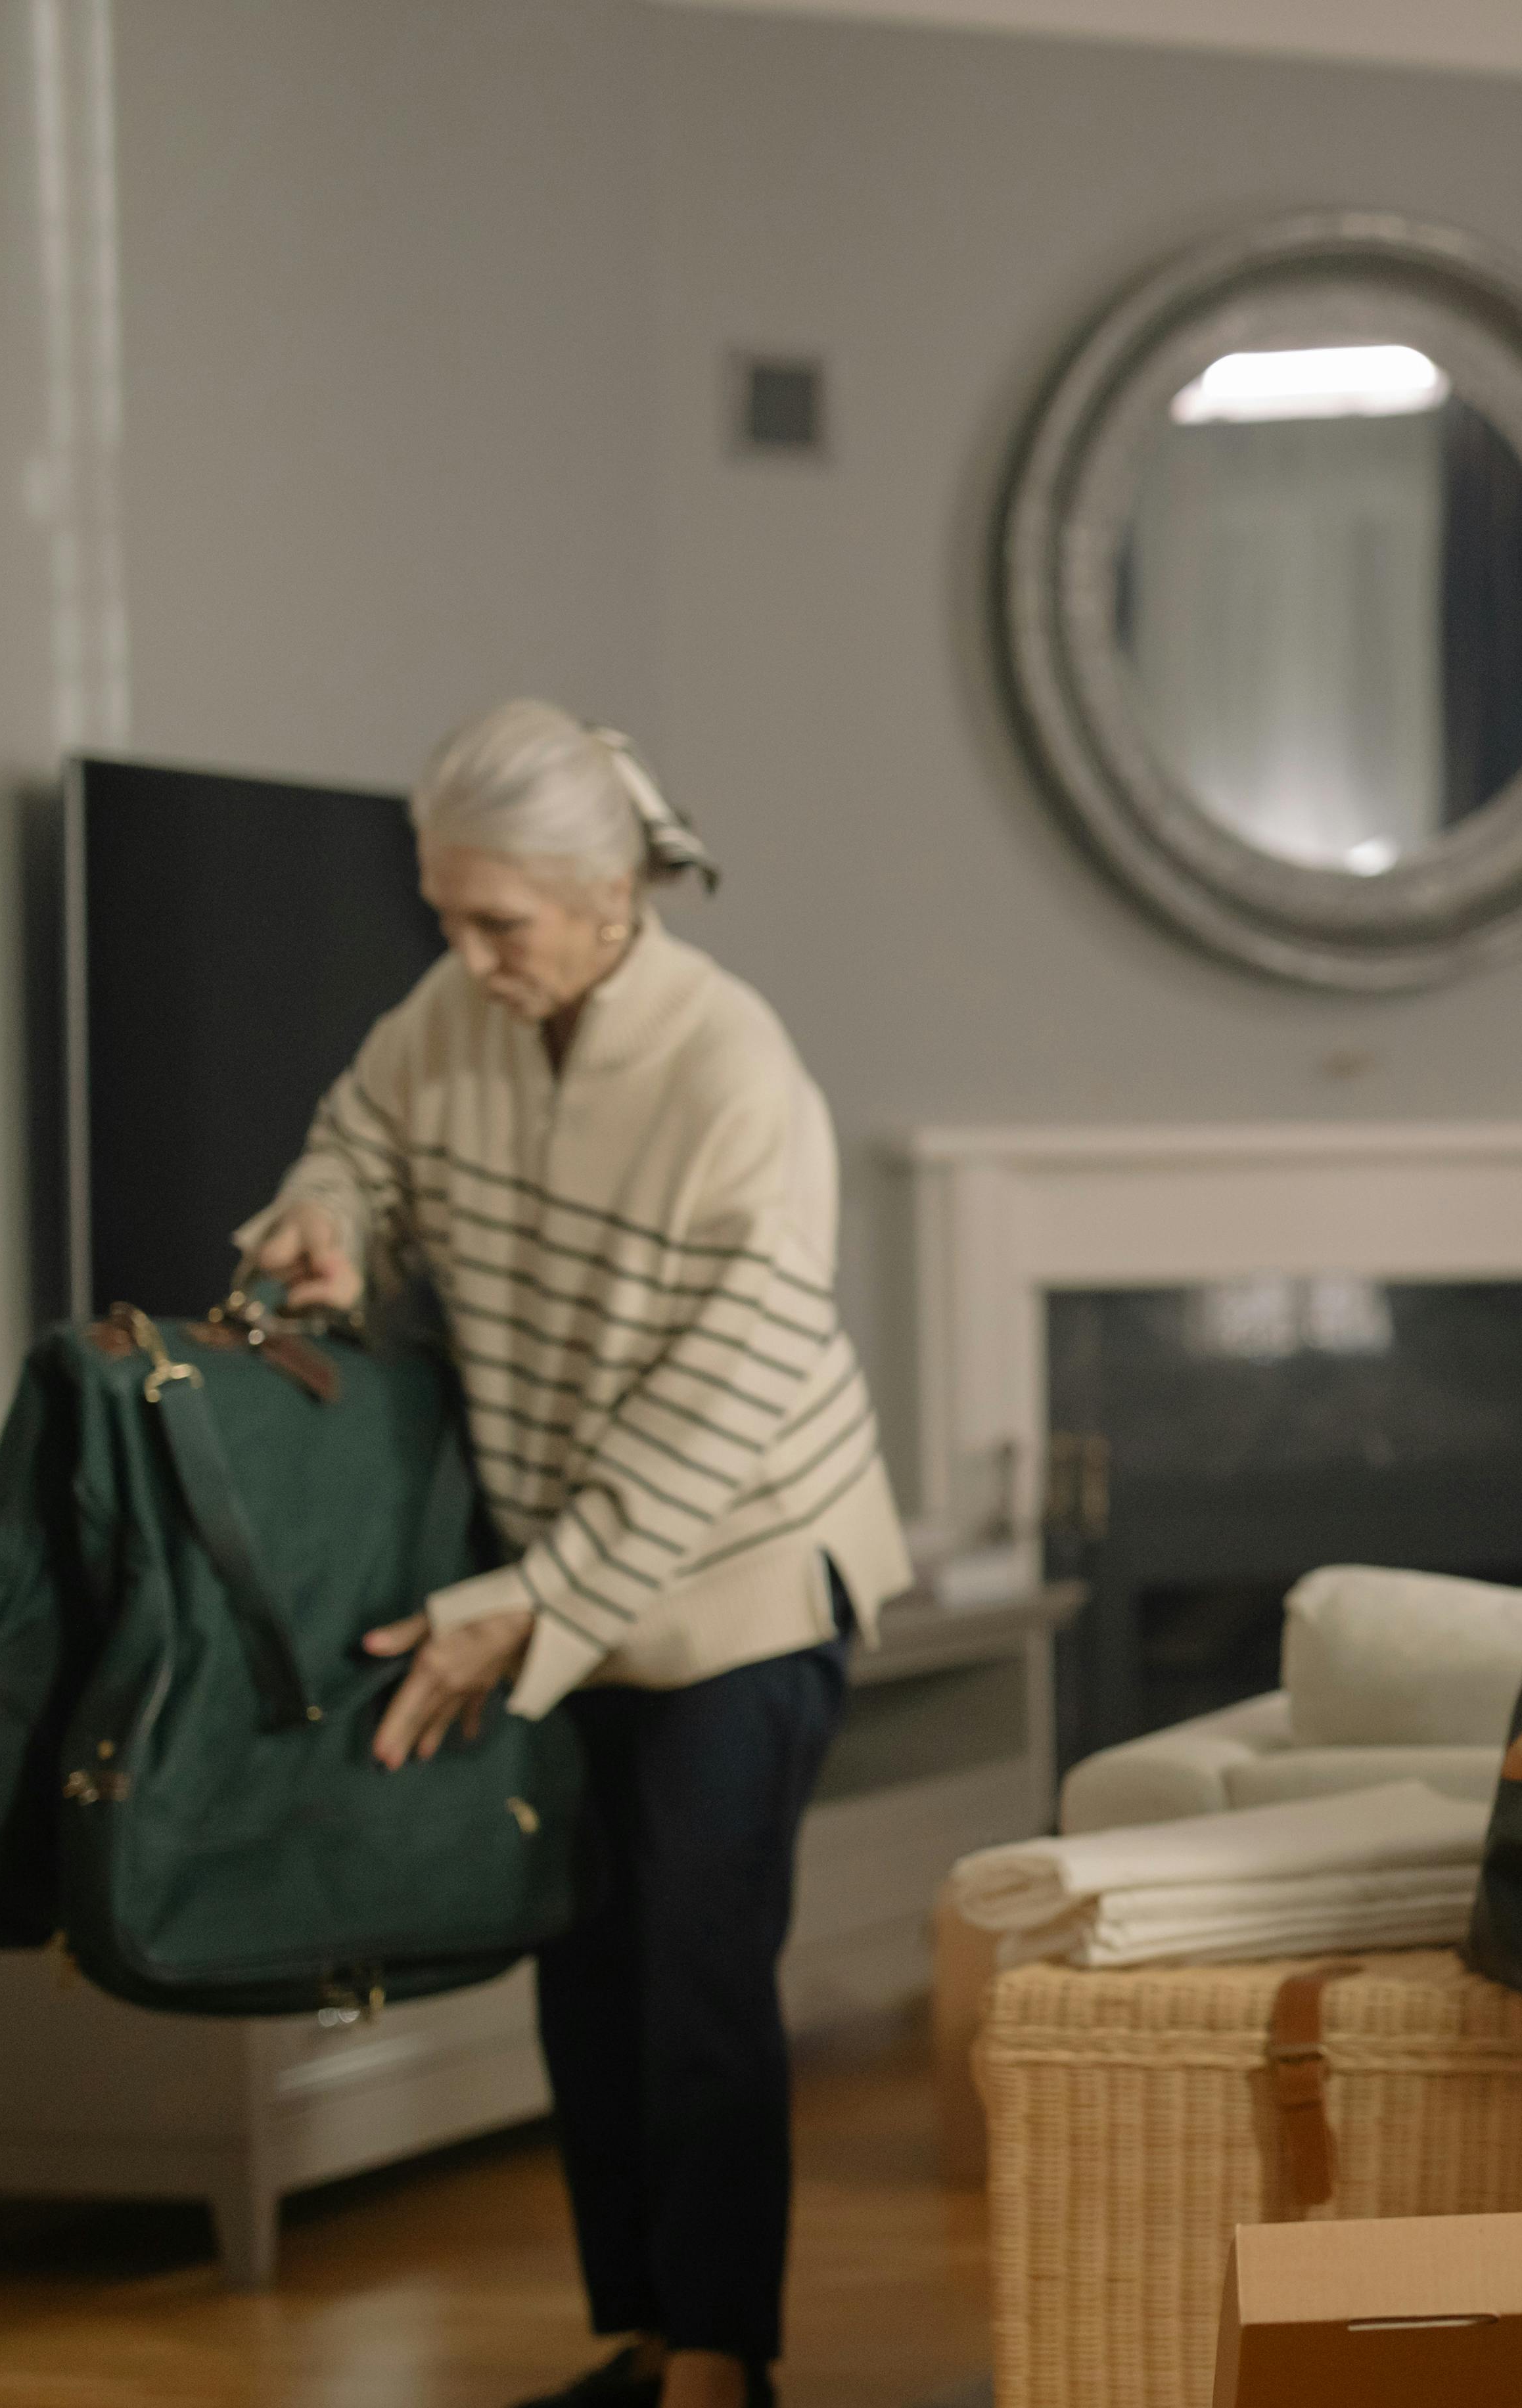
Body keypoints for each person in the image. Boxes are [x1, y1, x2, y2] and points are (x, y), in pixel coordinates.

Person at [242, 700, 910, 2408]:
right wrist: (331, 1209)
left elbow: (717, 1410)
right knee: (583, 1961)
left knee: (694, 1962)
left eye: (497, 925)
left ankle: (722, 2362)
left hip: (743, 1575)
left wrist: (528, 1607)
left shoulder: (733, 1072)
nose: (464, 957)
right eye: (443, 916)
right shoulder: (456, 1009)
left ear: (612, 896)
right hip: (563, 1572)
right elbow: (364, 1132)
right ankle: (640, 2331)